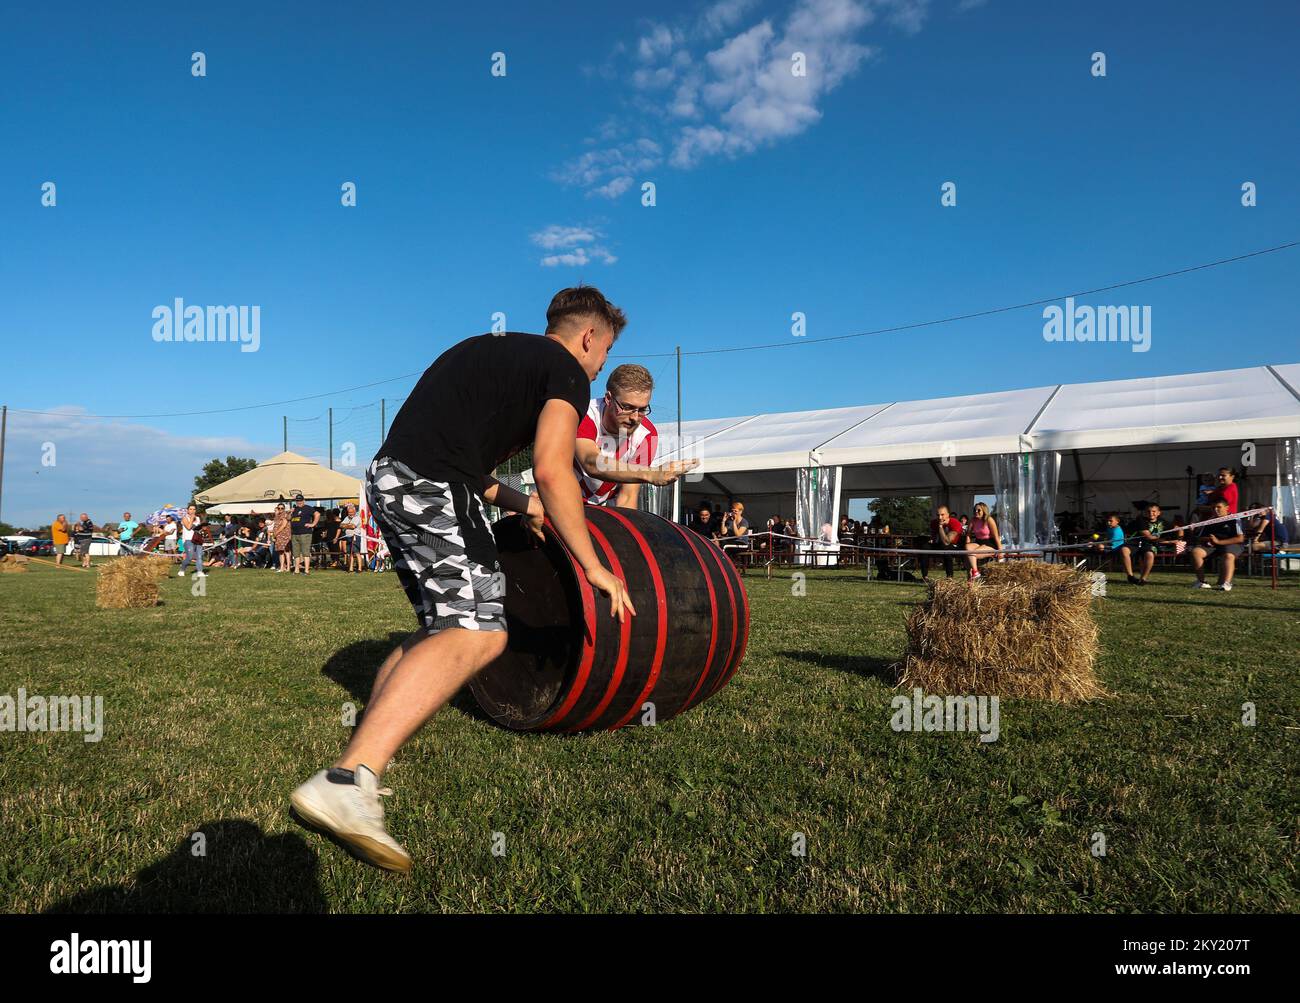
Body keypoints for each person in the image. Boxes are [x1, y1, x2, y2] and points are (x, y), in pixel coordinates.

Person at [290, 285, 636, 873]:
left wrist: (523, 505)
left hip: (394, 478)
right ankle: (350, 777)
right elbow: (556, 470)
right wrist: (593, 564)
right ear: (588, 338)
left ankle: (367, 756)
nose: (600, 370)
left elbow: (467, 463)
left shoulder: (492, 350)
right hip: (430, 486)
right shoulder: (566, 371)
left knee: (439, 628)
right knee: (481, 633)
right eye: (604, 356)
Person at [572, 363, 696, 507]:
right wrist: (651, 474)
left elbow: (627, 496)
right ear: (608, 398)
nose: (635, 418)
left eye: (642, 409)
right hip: (561, 498)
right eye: (628, 408)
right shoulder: (584, 413)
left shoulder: (646, 435)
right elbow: (591, 462)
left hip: (602, 507)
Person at [1190, 499, 1244, 591]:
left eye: (1219, 507)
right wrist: (1207, 538)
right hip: (1213, 546)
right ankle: (1201, 582)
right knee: (1196, 552)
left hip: (1232, 544)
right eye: (1213, 507)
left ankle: (1226, 584)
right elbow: (1200, 537)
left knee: (1228, 556)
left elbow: (1240, 538)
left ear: (1227, 508)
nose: (1215, 509)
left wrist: (1218, 542)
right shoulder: (1210, 520)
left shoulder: (1235, 519)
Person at [1119, 503, 1163, 585]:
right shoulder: (1141, 520)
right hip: (1136, 542)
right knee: (1124, 550)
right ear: (1145, 512)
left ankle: (1143, 579)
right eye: (1148, 511)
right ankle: (1130, 576)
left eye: (1154, 511)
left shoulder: (1163, 522)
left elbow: (1177, 527)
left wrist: (1179, 536)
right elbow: (1147, 535)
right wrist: (1159, 537)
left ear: (1159, 513)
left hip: (1149, 544)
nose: (1151, 513)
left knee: (1149, 555)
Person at [920, 504, 964, 580]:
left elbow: (947, 542)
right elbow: (933, 536)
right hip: (940, 544)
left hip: (954, 545)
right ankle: (925, 576)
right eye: (938, 515)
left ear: (948, 515)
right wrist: (932, 539)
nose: (940, 517)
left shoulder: (955, 523)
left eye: (942, 515)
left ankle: (949, 577)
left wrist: (940, 527)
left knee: (946, 548)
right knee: (925, 547)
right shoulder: (934, 522)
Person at [963, 501, 1002, 580]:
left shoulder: (989, 519)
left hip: (990, 543)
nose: (976, 512)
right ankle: (975, 572)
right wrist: (966, 545)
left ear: (984, 510)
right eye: (975, 510)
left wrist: (1000, 551)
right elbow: (968, 534)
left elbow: (996, 536)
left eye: (978, 510)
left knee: (972, 553)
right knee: (967, 548)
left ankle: (975, 572)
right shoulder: (973, 520)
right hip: (979, 543)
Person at [289, 494, 319, 574]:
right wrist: (290, 512)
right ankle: (297, 570)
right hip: (295, 533)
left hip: (305, 533)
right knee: (296, 553)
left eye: (300, 500)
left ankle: (306, 570)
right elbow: (288, 519)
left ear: (304, 500)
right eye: (297, 500)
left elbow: (317, 514)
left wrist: (313, 524)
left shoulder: (308, 508)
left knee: (305, 552)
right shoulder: (294, 509)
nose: (299, 502)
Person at [178, 503, 206, 578]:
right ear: (187, 510)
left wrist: (203, 528)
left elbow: (198, 528)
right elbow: (189, 527)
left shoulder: (198, 518)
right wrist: (191, 519)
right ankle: (182, 570)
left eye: (194, 509)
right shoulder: (184, 518)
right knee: (189, 557)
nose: (192, 511)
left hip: (197, 539)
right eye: (190, 509)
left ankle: (200, 571)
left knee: (199, 556)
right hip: (188, 540)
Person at [272, 503, 292, 572]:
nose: (280, 509)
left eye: (282, 508)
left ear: (284, 509)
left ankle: (288, 567)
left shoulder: (285, 515)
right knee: (280, 552)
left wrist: (275, 533)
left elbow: (284, 525)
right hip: (279, 536)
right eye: (279, 508)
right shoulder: (277, 516)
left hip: (284, 536)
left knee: (286, 551)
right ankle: (282, 567)